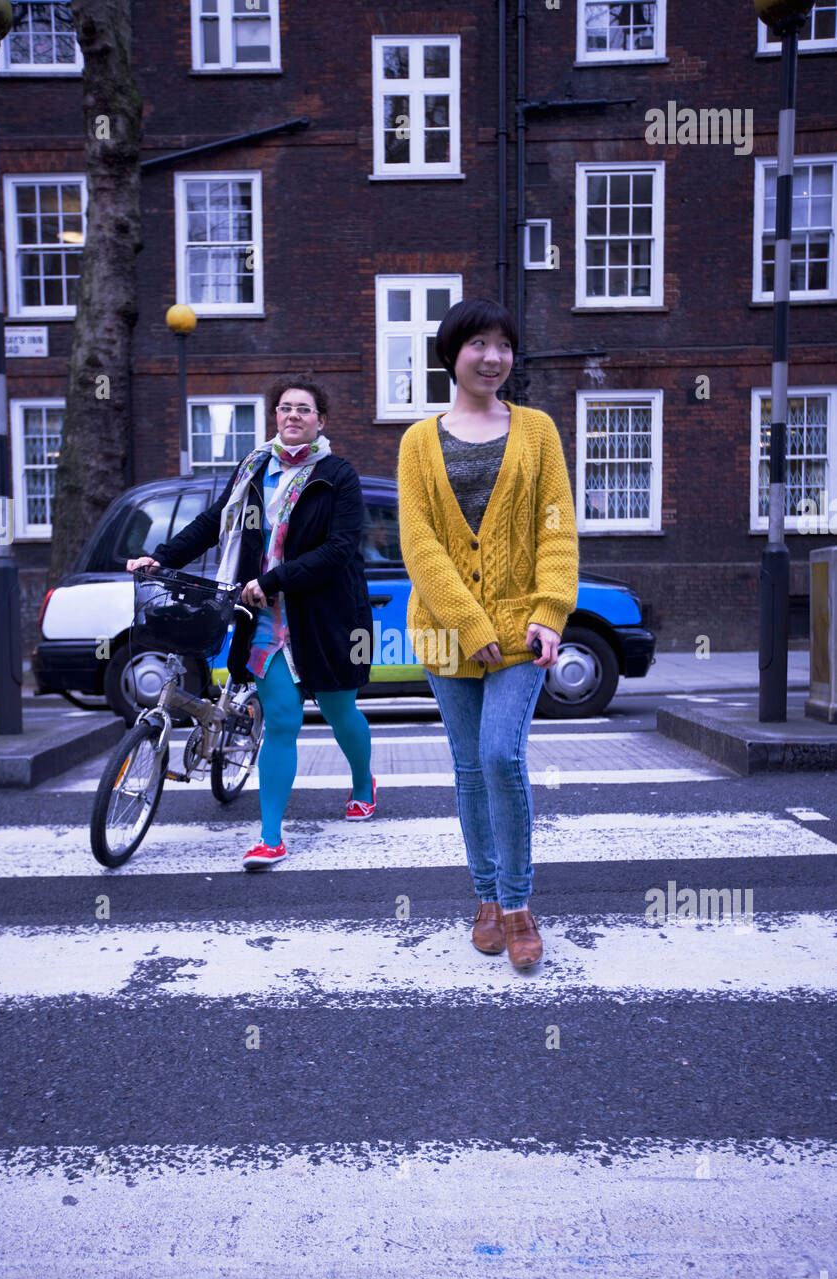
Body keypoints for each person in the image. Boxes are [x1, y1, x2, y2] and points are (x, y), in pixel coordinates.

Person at [127, 377, 377, 869]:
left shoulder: (337, 475)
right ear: (275, 417)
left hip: (325, 615)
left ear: (320, 421)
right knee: (282, 720)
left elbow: (339, 548)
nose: (292, 416)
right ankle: (270, 837)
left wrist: (277, 578)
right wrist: (160, 557)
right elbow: (214, 523)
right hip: (263, 614)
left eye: (304, 409)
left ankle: (362, 781)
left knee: (339, 712)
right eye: (285, 408)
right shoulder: (253, 469)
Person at [397, 298, 578, 968]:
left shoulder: (537, 431)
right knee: (469, 768)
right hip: (446, 634)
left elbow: (555, 528)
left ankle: (519, 903)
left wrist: (551, 610)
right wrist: (468, 624)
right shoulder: (419, 441)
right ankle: (485, 897)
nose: (493, 356)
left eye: (504, 344)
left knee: (502, 755)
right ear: (453, 353)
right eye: (479, 343)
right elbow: (420, 544)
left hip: (523, 629)